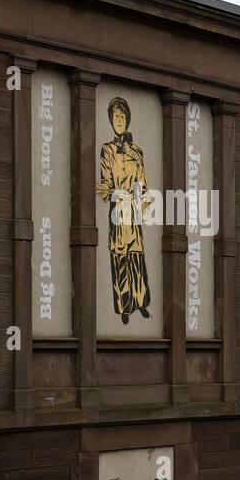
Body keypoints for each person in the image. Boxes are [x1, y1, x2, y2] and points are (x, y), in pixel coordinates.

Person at [95, 97, 152, 324]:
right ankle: (124, 306)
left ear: (128, 119)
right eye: (115, 117)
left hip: (134, 213)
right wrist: (119, 194)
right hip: (117, 212)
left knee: (137, 257)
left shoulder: (137, 152)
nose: (119, 120)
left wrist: (143, 200)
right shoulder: (107, 150)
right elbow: (104, 185)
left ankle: (141, 303)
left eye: (122, 116)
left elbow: (142, 182)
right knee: (120, 257)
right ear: (111, 120)